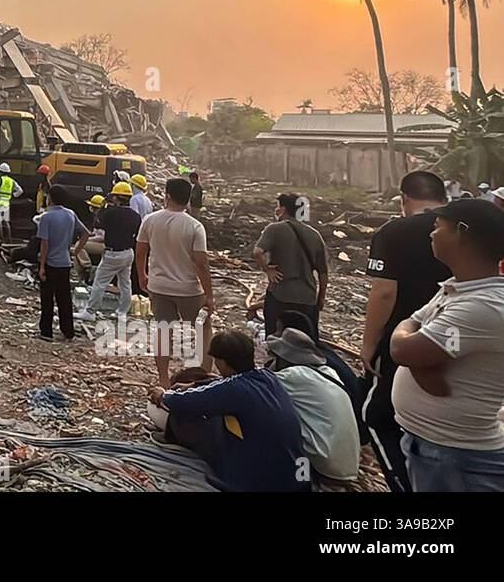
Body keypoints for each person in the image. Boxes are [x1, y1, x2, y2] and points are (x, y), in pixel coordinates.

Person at [389, 198, 504, 492]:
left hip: (459, 458)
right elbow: (410, 324)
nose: (431, 234)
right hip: (439, 449)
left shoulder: (485, 305)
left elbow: (401, 349)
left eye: (439, 227)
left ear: (462, 233)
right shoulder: (458, 288)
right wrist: (422, 364)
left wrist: (416, 354)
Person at [360, 170, 451, 493]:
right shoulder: (473, 229)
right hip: (459, 341)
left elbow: (384, 293)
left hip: (406, 342)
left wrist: (369, 344)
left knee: (378, 414)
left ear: (405, 199)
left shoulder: (394, 232)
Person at [148, 330, 309, 492]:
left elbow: (184, 402)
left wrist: (163, 395)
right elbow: (222, 386)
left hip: (259, 481)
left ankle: (172, 435)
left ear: (222, 362)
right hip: (297, 477)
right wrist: (197, 385)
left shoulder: (233, 389)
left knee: (193, 418)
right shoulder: (267, 376)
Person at [137, 178, 214, 385]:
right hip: (189, 289)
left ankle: (163, 379)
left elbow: (141, 251)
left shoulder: (150, 220)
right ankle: (204, 377)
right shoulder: (195, 226)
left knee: (163, 331)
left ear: (167, 195)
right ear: (188, 198)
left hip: (159, 286)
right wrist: (209, 295)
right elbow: (201, 264)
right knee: (204, 329)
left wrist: (142, 276)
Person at [266, 328, 362, 483]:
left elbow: (257, 387)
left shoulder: (294, 376)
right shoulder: (329, 372)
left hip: (325, 466)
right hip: (348, 465)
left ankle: (295, 479)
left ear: (284, 357)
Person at [253, 193, 328, 342]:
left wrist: (267, 269)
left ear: (283, 209)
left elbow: (257, 252)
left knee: (276, 341)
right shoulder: (315, 235)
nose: (276, 210)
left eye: (277, 206)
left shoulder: (274, 229)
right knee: (306, 343)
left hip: (280, 296)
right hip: (308, 299)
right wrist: (320, 298)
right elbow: (323, 272)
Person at [76, 182, 141, 321]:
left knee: (99, 283)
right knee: (125, 283)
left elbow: (102, 232)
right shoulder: (136, 216)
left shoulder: (109, 213)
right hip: (128, 253)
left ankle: (90, 311)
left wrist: (104, 205)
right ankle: (122, 313)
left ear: (116, 198)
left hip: (113, 253)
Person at [36, 185, 88, 341]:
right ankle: (68, 331)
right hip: (65, 263)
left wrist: (42, 266)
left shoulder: (46, 217)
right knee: (64, 299)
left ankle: (46, 332)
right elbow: (86, 233)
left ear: (51, 198)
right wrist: (75, 251)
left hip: (51, 263)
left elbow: (44, 244)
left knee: (47, 299)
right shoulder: (70, 214)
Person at [0, 162, 23, 244]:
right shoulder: (11, 181)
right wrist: (13, 195)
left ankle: (2, 238)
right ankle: (9, 239)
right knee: (6, 222)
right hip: (6, 202)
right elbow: (20, 191)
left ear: (0, 172)